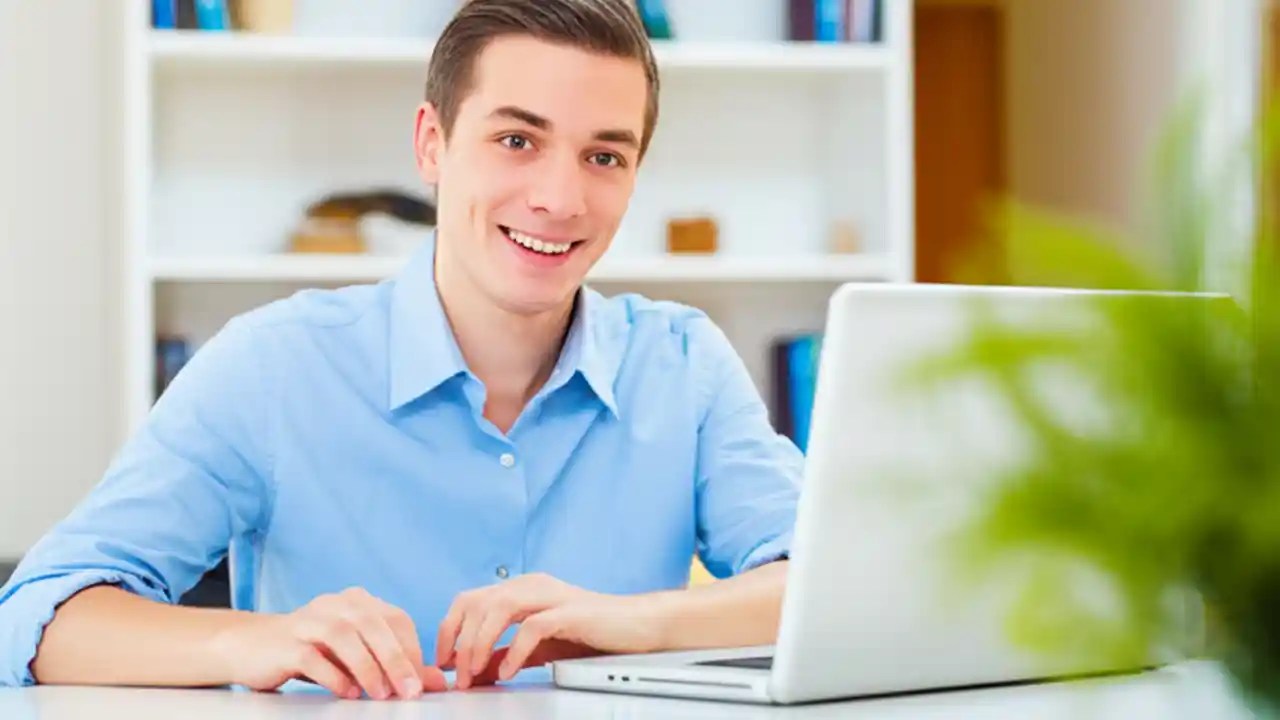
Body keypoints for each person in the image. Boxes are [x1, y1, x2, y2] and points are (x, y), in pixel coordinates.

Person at [0, 0, 802, 700]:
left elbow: (834, 588)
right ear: (431, 144)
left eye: (604, 157)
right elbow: (37, 617)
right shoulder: (274, 366)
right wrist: (252, 640)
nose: (560, 199)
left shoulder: (684, 364)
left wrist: (635, 622)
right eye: (518, 140)